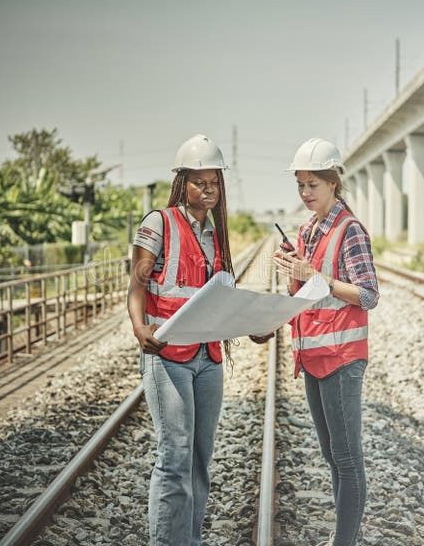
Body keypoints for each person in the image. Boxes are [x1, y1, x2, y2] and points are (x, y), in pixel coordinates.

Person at [127, 134, 235, 546]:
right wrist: (140, 329)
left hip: (207, 359)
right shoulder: (159, 223)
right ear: (182, 183)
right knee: (174, 458)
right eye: (200, 183)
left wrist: (253, 326)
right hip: (167, 356)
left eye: (215, 183)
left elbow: (217, 301)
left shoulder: (215, 232)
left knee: (198, 460)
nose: (208, 190)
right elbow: (136, 285)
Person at [273, 138, 380, 546]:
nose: (305, 193)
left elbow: (368, 294)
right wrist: (293, 271)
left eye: (313, 185)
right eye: (300, 185)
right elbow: (305, 294)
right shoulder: (308, 230)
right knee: (332, 456)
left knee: (348, 460)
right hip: (314, 356)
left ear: (334, 183)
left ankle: (344, 542)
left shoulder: (348, 230)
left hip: (341, 356)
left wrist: (314, 275)